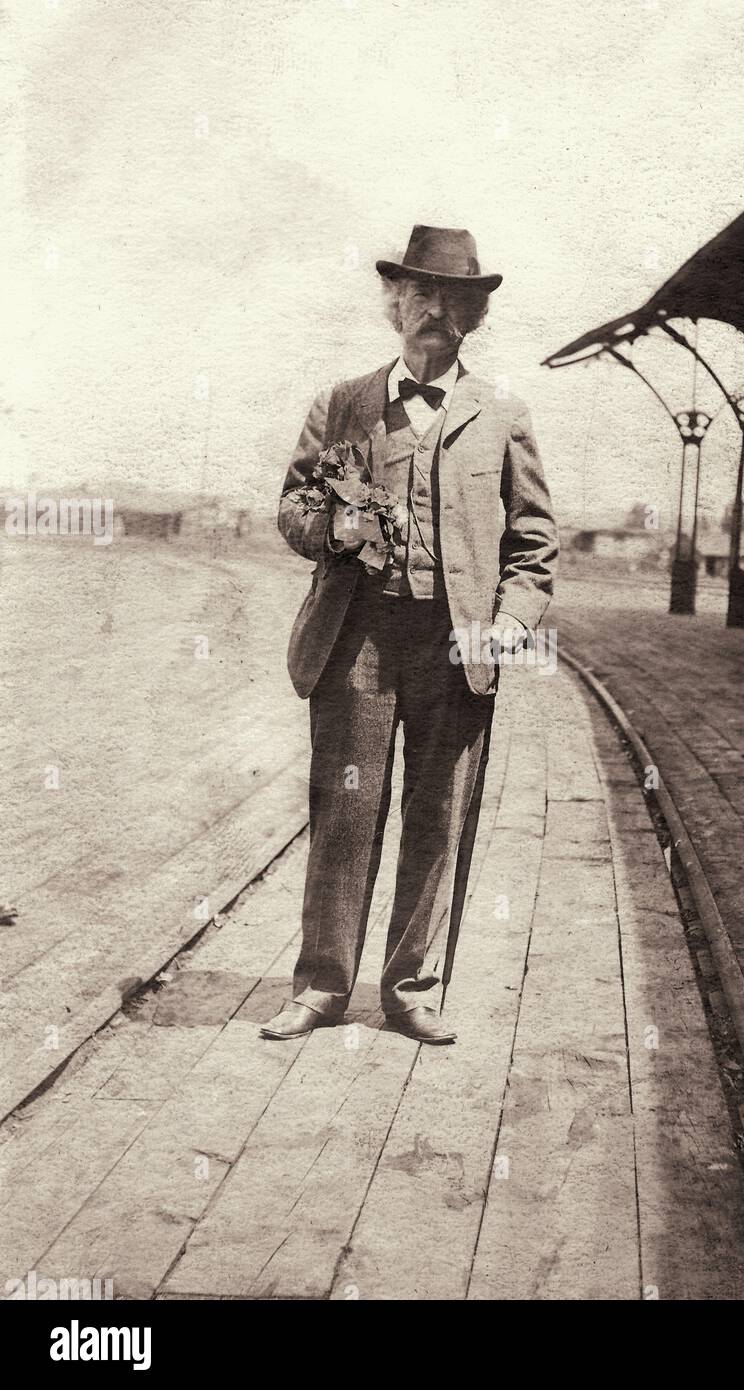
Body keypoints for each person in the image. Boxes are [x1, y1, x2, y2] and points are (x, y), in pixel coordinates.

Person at [261, 226, 559, 1044]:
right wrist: (335, 530)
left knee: (439, 817)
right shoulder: (342, 403)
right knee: (345, 814)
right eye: (419, 295)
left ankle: (411, 988)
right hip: (353, 639)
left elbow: (535, 545)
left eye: (453, 300)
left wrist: (504, 630)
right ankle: (321, 984)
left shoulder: (502, 414)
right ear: (394, 306)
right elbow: (292, 508)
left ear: (473, 316)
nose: (433, 311)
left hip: (455, 647)